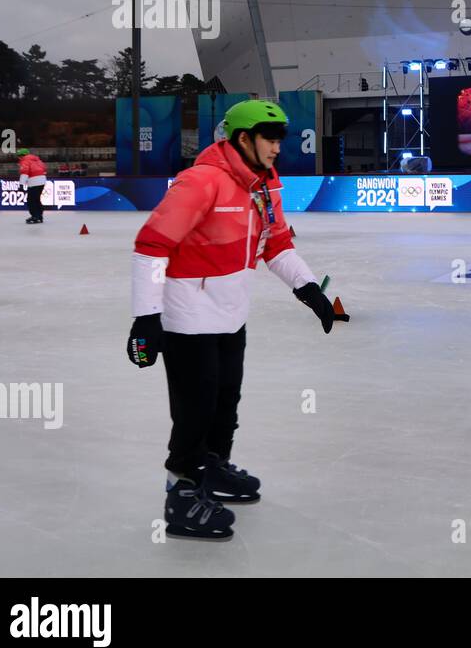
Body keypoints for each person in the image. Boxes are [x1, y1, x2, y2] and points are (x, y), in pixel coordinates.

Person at [126, 99, 342, 541]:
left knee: (226, 403)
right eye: (270, 138)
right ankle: (182, 492)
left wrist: (307, 288)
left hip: (231, 313)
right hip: (188, 316)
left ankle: (214, 468)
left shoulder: (264, 186)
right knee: (195, 409)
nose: (278, 146)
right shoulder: (201, 182)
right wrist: (146, 318)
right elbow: (151, 245)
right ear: (243, 139)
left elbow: (276, 242)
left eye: (280, 138)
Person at [17, 148, 47, 224]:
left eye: (19, 156)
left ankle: (35, 216)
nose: (19, 158)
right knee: (37, 199)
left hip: (34, 181)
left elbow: (24, 173)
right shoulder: (38, 160)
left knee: (31, 200)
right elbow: (44, 169)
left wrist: (21, 185)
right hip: (42, 180)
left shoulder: (25, 160)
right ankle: (39, 216)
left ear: (23, 155)